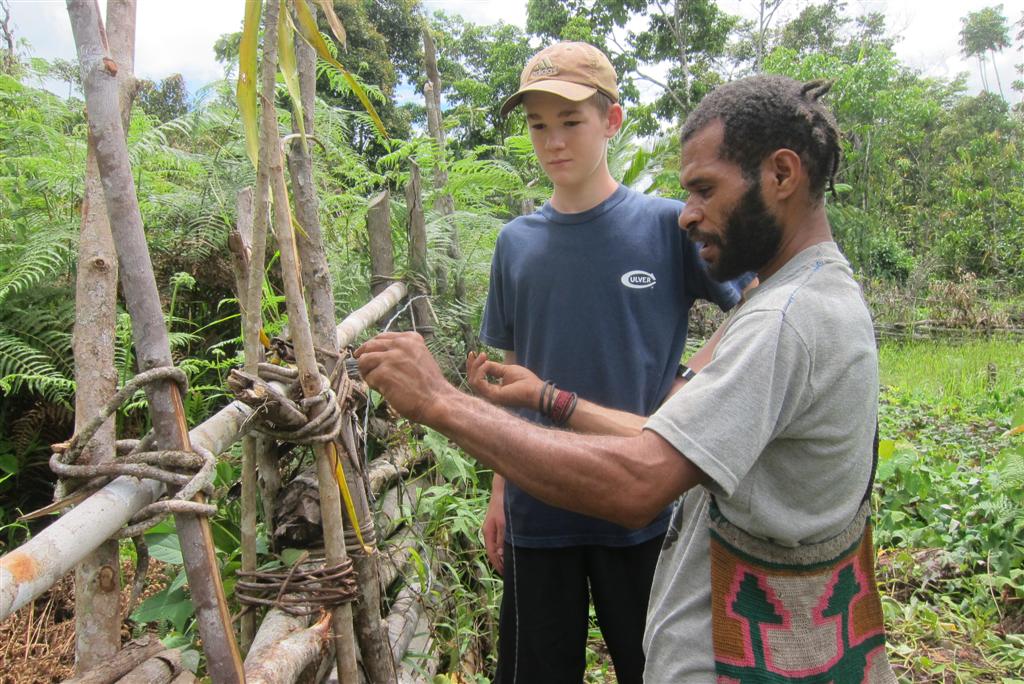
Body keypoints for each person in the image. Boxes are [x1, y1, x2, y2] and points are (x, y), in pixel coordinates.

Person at [356, 74, 897, 682]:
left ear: (781, 174)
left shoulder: (785, 319)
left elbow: (640, 479)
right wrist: (551, 408)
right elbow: (663, 427)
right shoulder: (806, 296)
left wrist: (438, 400)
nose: (688, 214)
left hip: (677, 569)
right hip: (559, 520)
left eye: (704, 189)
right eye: (539, 125)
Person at [477, 41, 748, 683]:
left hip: (641, 501)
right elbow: (510, 375)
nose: (554, 141)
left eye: (571, 121)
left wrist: (691, 379)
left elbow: (757, 303)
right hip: (539, 503)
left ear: (612, 121)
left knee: (658, 668)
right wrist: (500, 491)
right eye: (539, 125)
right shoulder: (516, 244)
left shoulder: (666, 227)